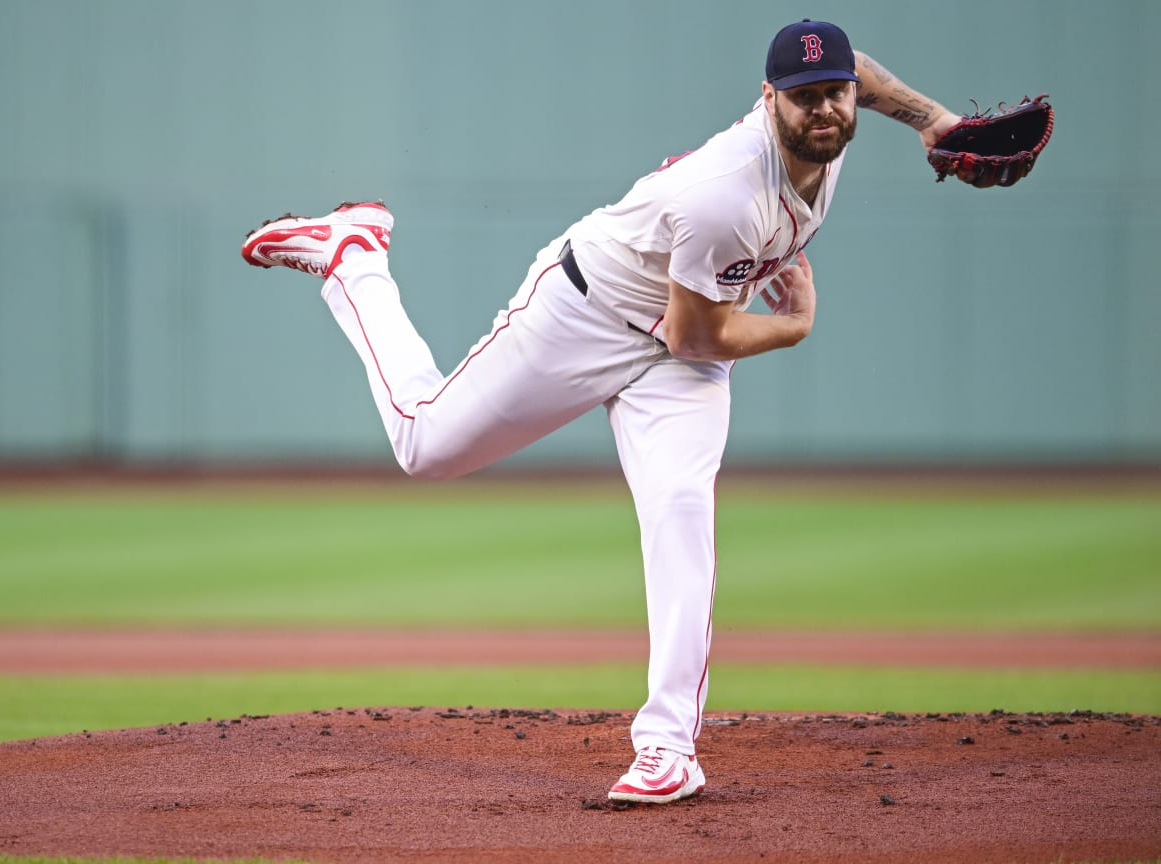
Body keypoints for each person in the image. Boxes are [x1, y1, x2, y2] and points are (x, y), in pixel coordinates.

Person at [240, 20, 961, 804]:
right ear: (769, 100)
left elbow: (859, 71)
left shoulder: (835, 121)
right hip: (586, 317)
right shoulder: (726, 195)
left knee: (682, 510)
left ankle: (667, 747)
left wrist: (937, 122)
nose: (824, 110)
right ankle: (355, 257)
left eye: (833, 95)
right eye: (804, 98)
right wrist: (789, 328)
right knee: (423, 445)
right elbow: (698, 335)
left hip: (675, 358)